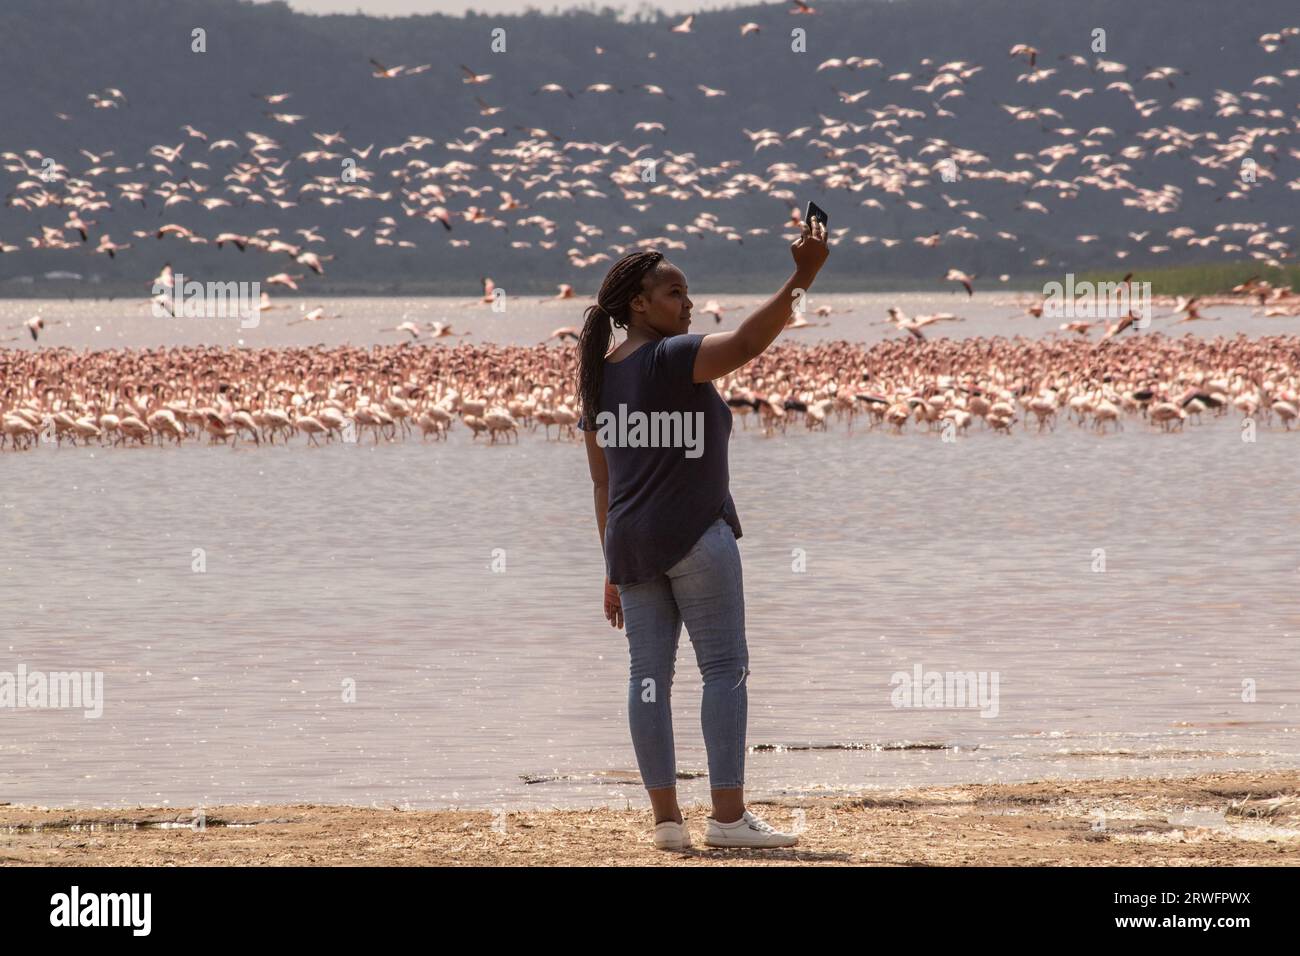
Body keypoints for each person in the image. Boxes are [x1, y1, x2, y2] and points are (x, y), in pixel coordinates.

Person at [577, 217, 830, 850]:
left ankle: (667, 825)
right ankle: (727, 820)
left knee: (647, 677)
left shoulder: (597, 376)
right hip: (695, 538)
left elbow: (603, 487)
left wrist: (611, 565)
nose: (690, 305)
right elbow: (748, 343)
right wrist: (804, 274)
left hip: (630, 545)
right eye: (676, 294)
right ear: (639, 303)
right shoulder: (673, 358)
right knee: (724, 669)